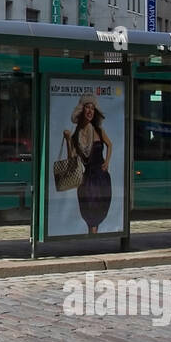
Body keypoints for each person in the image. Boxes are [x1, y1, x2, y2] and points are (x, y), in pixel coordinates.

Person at [63, 92, 113, 235]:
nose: (90, 111)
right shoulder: (76, 135)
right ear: (82, 110)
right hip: (87, 179)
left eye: (93, 108)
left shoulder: (98, 130)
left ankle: (93, 236)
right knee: (89, 212)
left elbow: (110, 145)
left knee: (98, 212)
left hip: (102, 178)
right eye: (87, 107)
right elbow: (71, 158)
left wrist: (107, 162)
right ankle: (91, 236)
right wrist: (67, 140)